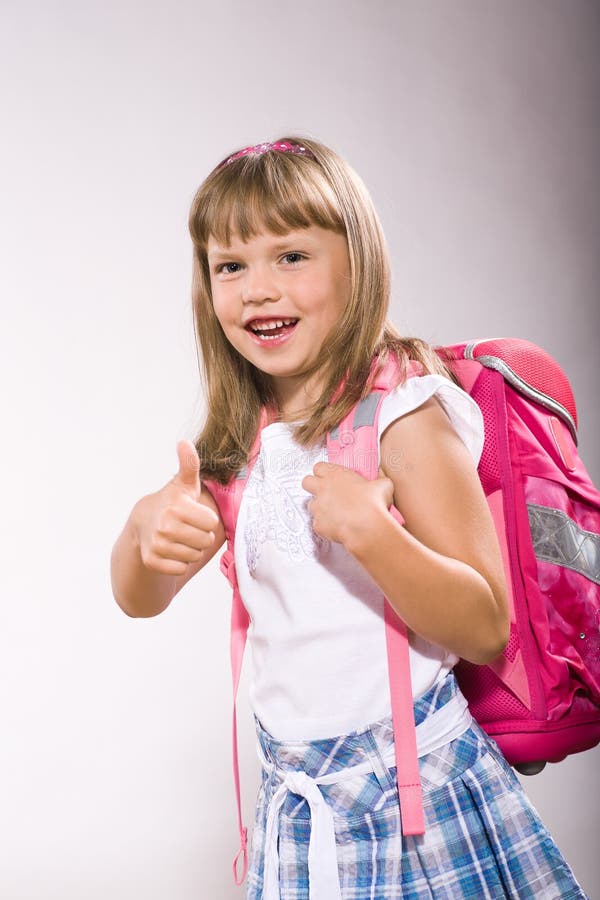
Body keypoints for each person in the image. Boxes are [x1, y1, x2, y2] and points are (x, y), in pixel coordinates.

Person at [110, 137, 587, 899]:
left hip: (419, 802)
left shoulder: (403, 417)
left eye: (291, 256)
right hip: (297, 813)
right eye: (231, 266)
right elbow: (140, 598)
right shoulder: (242, 442)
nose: (258, 289)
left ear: (356, 263)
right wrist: (142, 533)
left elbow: (484, 623)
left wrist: (374, 535)